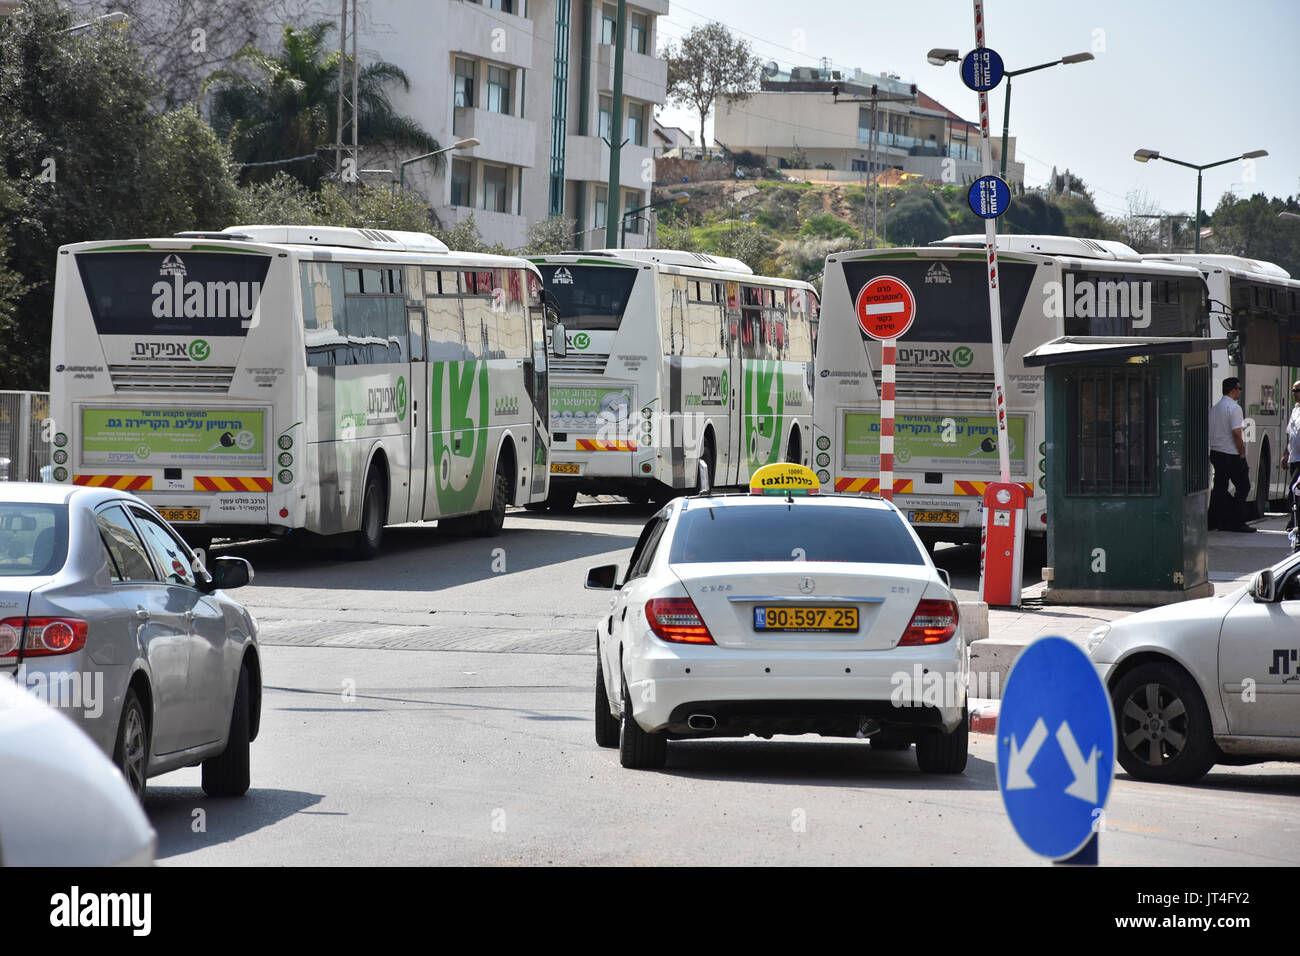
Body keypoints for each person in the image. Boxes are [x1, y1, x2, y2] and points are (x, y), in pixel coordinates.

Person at [1208, 377, 1255, 532]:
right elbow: (1236, 433)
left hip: (1215, 453)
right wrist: (1242, 454)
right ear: (1233, 390)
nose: (1240, 392)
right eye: (1239, 389)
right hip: (1230, 454)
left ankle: (1217, 520)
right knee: (1244, 486)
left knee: (1220, 487)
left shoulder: (1215, 408)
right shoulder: (1234, 408)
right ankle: (1237, 521)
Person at [1282, 380, 1300, 531]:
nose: (1295, 394)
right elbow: (1290, 434)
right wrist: (1285, 453)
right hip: (1294, 457)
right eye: (1293, 390)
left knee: (1294, 490)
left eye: (1297, 390)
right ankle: (1294, 522)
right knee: (1295, 491)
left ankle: (1292, 523)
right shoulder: (1295, 410)